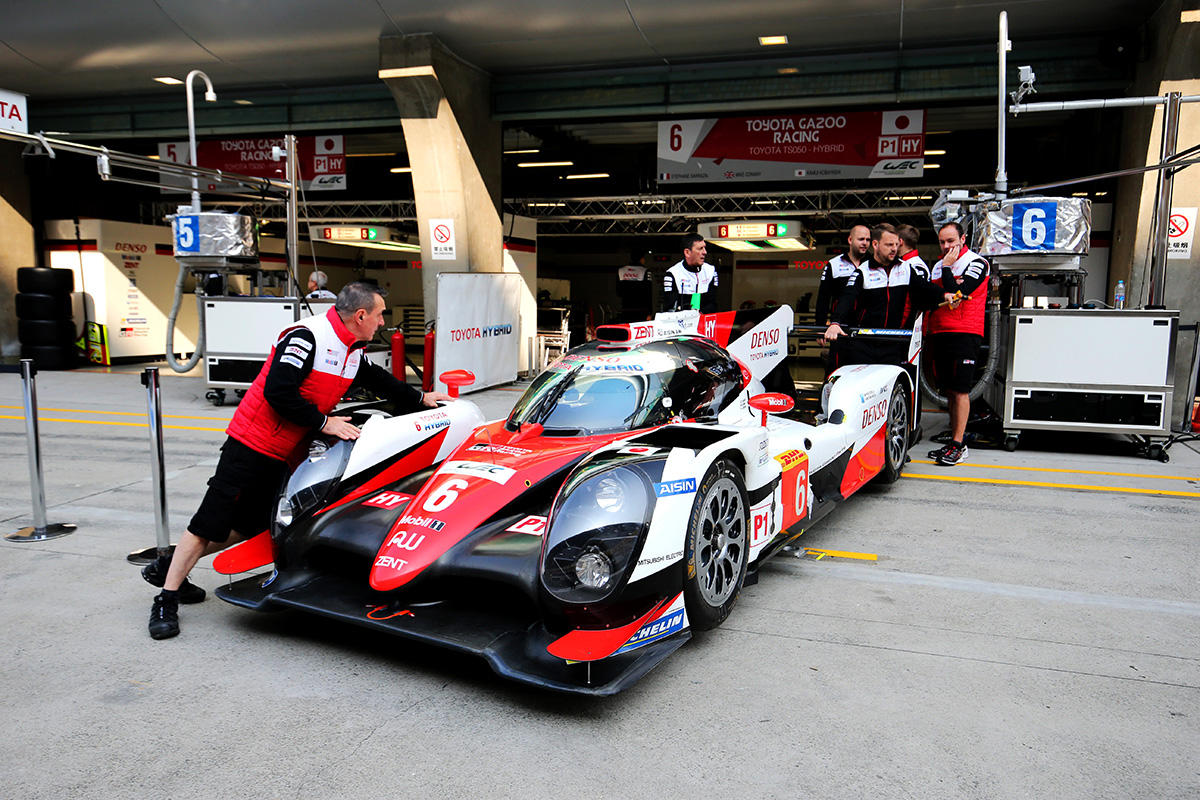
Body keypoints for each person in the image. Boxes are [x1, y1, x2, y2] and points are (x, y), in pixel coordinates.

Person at [145, 282, 453, 639]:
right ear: (361, 315)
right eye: (381, 314)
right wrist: (326, 423)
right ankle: (166, 598)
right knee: (208, 524)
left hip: (284, 452)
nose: (383, 322)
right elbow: (278, 392)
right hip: (251, 445)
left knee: (248, 527)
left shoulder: (353, 349)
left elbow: (380, 381)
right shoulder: (307, 339)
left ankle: (170, 567)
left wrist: (422, 399)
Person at [824, 223, 955, 370]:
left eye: (896, 244)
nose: (894, 249)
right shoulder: (863, 271)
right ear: (875, 244)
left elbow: (925, 287)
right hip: (864, 343)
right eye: (889, 245)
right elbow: (847, 298)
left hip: (893, 343)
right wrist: (835, 322)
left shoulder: (905, 268)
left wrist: (944, 294)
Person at [925, 222, 990, 467]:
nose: (946, 246)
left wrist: (948, 268)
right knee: (950, 390)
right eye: (942, 242)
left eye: (951, 241)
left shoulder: (977, 262)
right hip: (940, 332)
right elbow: (935, 297)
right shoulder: (938, 265)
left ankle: (959, 444)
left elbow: (959, 295)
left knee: (961, 389)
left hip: (966, 332)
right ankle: (953, 436)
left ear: (963, 239)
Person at [814, 224, 871, 326]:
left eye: (868, 240)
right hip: (840, 324)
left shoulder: (874, 263)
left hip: (868, 325)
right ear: (850, 240)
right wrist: (820, 326)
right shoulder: (834, 264)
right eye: (861, 239)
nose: (865, 243)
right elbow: (824, 297)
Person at [662, 233, 718, 313]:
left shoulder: (710, 271)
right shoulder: (673, 274)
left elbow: (713, 304)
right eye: (700, 248)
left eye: (705, 248)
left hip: (703, 321)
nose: (705, 252)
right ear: (687, 252)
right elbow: (669, 308)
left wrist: (699, 314)